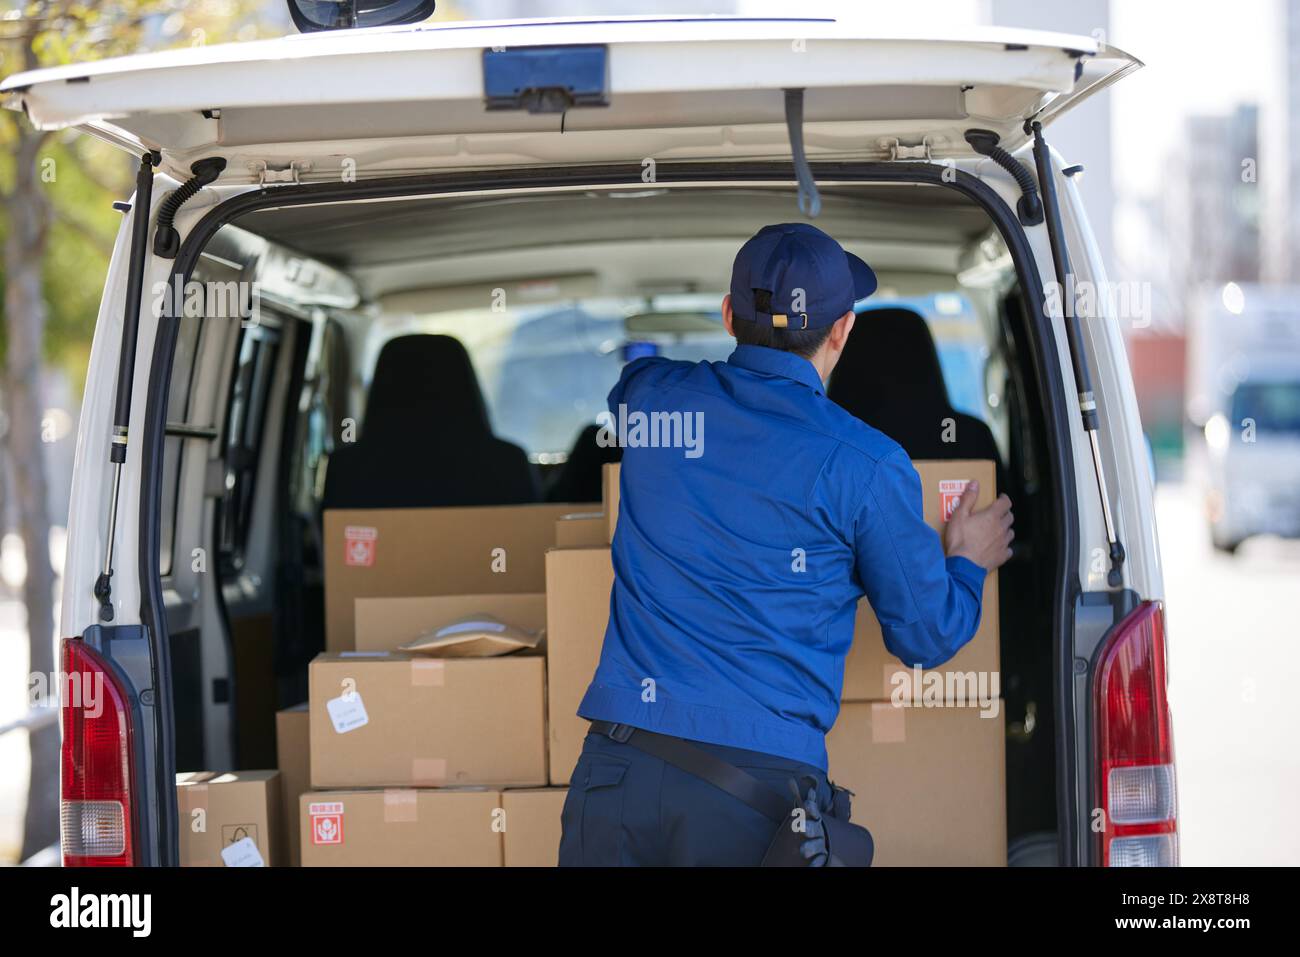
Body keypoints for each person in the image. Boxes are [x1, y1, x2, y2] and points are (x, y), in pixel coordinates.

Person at [559, 223, 1015, 866]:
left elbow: (626, 389)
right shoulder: (865, 465)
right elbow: (926, 636)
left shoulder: (657, 401)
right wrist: (965, 561)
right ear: (842, 330)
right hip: (750, 802)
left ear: (727, 315)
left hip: (616, 774)